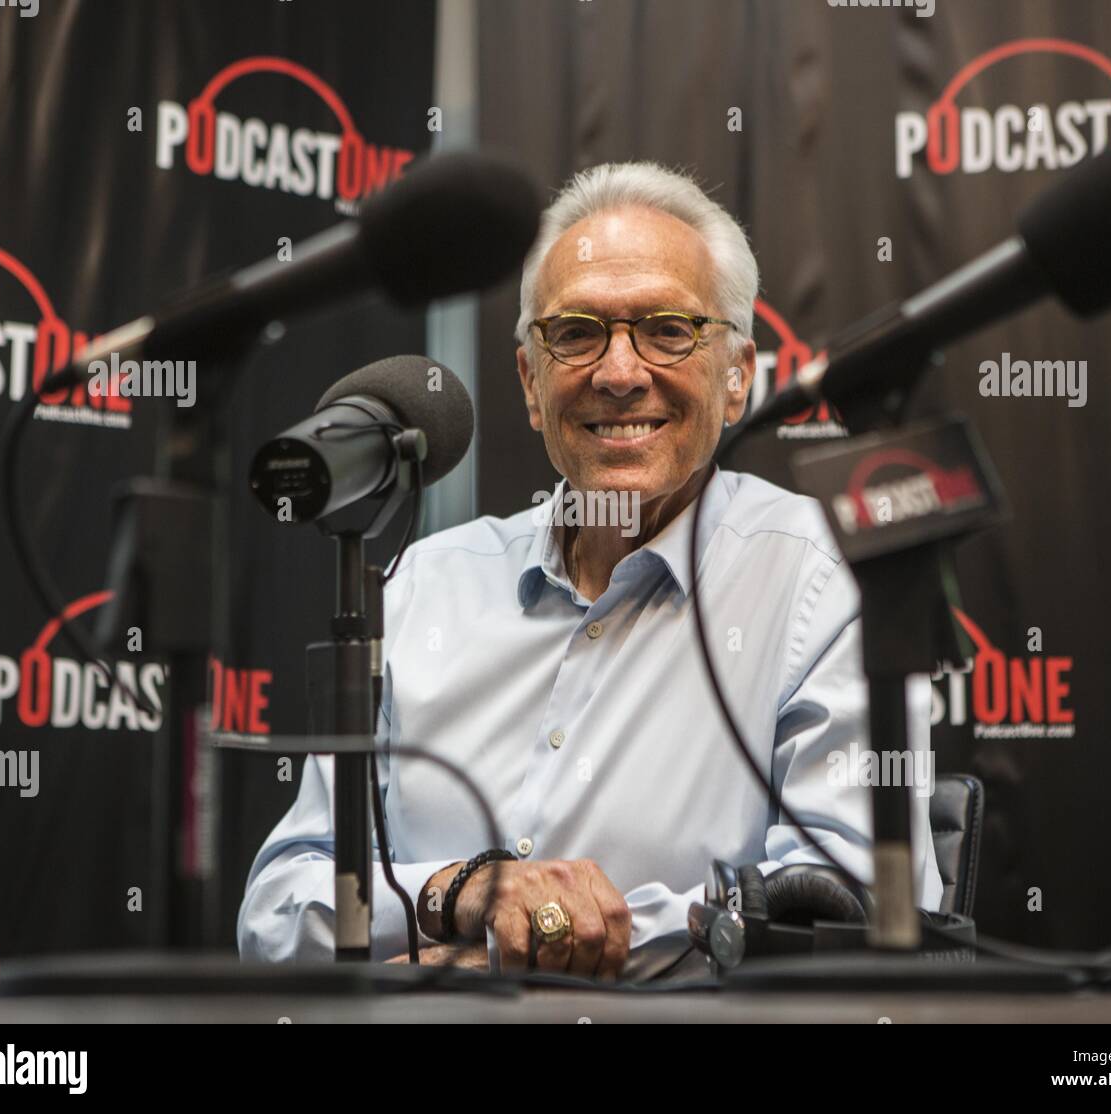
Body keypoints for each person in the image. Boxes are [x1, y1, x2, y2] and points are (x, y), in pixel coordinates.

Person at [238, 161, 943, 979]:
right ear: (531, 384)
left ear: (740, 374)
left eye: (668, 329)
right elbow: (274, 912)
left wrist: (514, 954)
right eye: (575, 333)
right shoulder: (421, 584)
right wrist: (458, 891)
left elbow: (846, 909)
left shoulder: (823, 583)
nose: (618, 372)